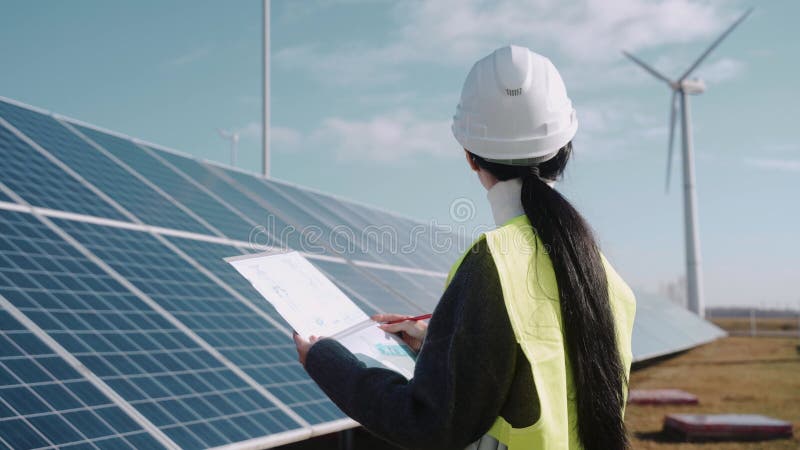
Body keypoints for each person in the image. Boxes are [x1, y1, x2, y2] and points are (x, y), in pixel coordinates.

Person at [293, 45, 636, 450]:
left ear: (470, 157)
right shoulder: (601, 274)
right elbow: (537, 381)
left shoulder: (493, 262)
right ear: (564, 149)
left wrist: (326, 362)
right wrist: (439, 345)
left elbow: (430, 425)